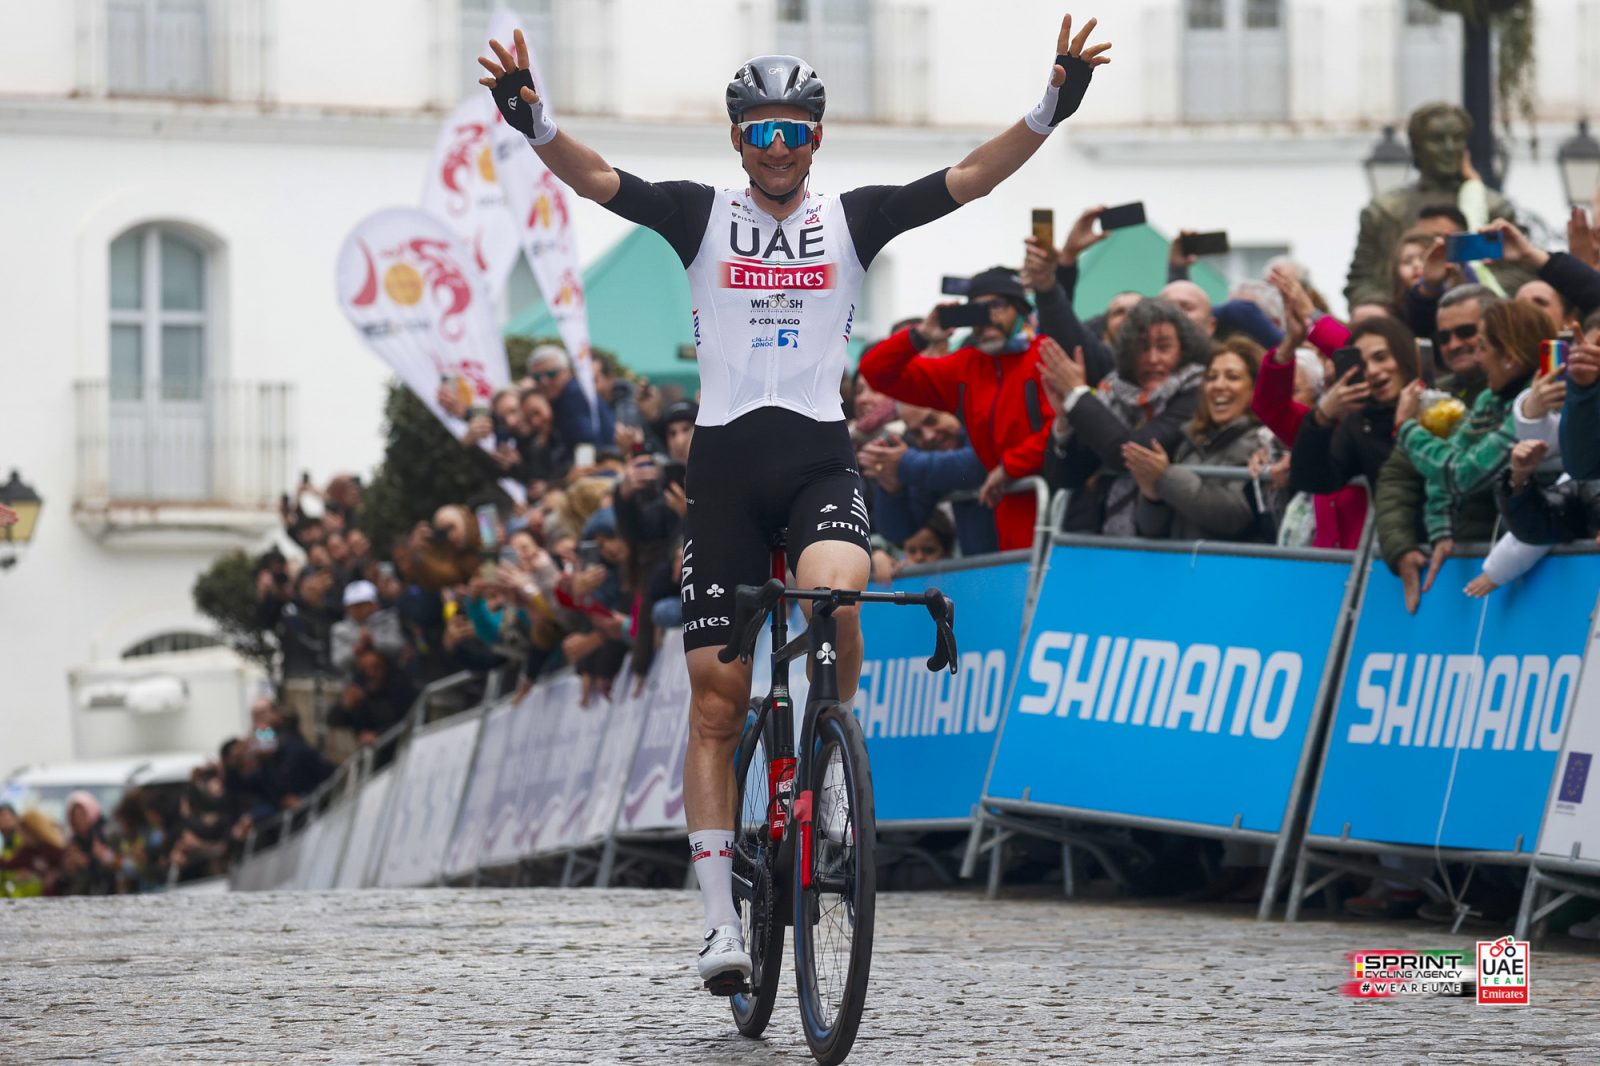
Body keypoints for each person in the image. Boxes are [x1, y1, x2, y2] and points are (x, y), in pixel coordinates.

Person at [480, 14, 1112, 990]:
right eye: (762, 131)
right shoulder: (698, 215)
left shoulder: (852, 219)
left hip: (819, 459)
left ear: (816, 138)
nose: (778, 147)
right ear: (739, 139)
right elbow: (598, 180)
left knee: (837, 596)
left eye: (795, 131)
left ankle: (827, 768)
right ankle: (717, 926)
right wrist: (536, 125)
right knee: (717, 704)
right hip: (725, 477)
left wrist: (1048, 109)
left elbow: (970, 179)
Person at [858, 267, 1064, 551]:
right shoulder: (966, 367)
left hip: (1055, 517)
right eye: (977, 309)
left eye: (997, 305)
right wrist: (922, 335)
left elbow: (1060, 430)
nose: (987, 317)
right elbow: (875, 371)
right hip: (1004, 535)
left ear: (1019, 309)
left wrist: (1008, 467)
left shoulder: (1044, 353)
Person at [1390, 300, 1546, 574]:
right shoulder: (1489, 398)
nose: (1477, 359)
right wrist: (1442, 530)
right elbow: (1447, 467)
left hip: (1544, 558)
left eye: (1482, 347)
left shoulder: (1540, 402)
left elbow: (1464, 473)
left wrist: (1406, 427)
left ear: (1510, 356)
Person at [1040, 298, 1210, 534]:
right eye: (1142, 348)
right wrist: (1065, 421)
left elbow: (1128, 453)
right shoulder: (1111, 391)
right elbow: (1064, 478)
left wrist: (1077, 395)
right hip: (1097, 536)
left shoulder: (1197, 391)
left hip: (1169, 534)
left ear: (1184, 350)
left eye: (1163, 347)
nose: (1152, 359)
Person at [1345, 101, 1521, 309]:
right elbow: (1362, 280)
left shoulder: (1494, 207)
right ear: (1417, 147)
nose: (1449, 148)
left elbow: (1519, 273)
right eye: (1437, 140)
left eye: (1457, 138)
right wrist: (1384, 311)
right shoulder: (1385, 210)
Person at [1126, 339, 1268, 542]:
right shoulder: (1190, 441)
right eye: (1211, 377)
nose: (1218, 385)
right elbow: (1152, 531)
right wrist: (1153, 497)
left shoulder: (1262, 442)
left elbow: (1234, 515)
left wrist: (1165, 476)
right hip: (1179, 562)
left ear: (1256, 388)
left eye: (1232, 377)